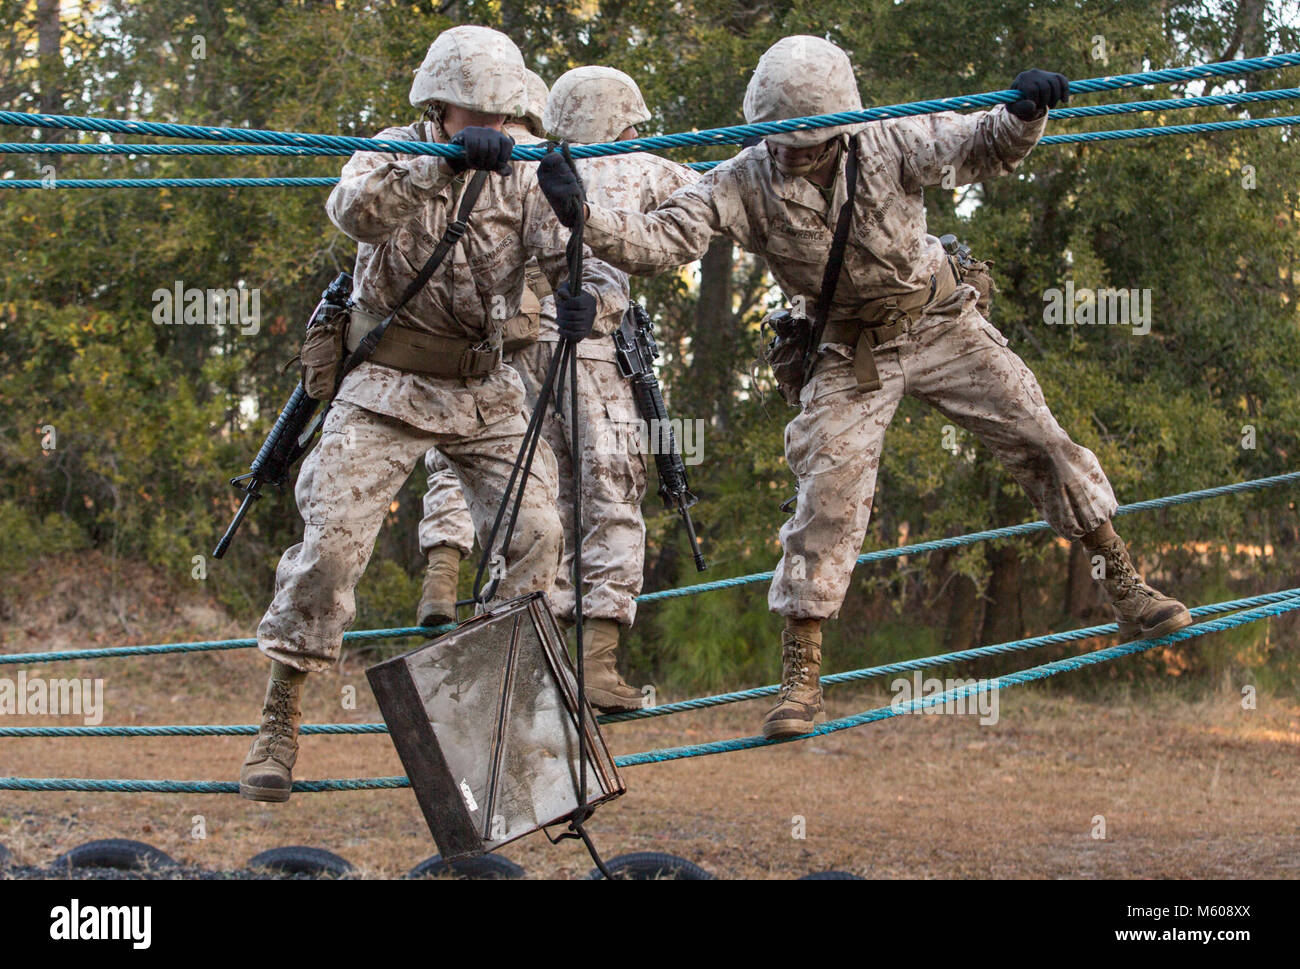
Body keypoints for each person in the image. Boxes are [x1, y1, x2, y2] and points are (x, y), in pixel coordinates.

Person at [537, 35, 1190, 740]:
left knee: (1043, 440)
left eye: (809, 142)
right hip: (847, 349)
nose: (793, 153)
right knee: (828, 489)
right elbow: (663, 242)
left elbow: (979, 147)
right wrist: (587, 219)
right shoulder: (739, 178)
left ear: (839, 127)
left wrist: (1026, 112)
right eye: (781, 140)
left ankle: (1123, 582)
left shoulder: (889, 139)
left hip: (941, 320)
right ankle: (802, 676)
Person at [239, 25, 627, 802]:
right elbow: (353, 212)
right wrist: (434, 168)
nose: (492, 126)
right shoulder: (391, 148)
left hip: (485, 389)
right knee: (333, 545)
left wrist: (587, 289)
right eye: (474, 113)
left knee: (537, 536)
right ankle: (281, 713)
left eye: (502, 112)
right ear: (440, 105)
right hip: (385, 381)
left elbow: (584, 266)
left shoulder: (523, 168)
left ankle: (498, 719)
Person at [418, 65, 698, 714]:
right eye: (630, 122)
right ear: (614, 121)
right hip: (588, 344)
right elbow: (722, 198)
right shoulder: (636, 165)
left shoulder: (514, 157)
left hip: (508, 347)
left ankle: (492, 633)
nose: (634, 132)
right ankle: (594, 663)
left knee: (520, 492)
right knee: (608, 490)